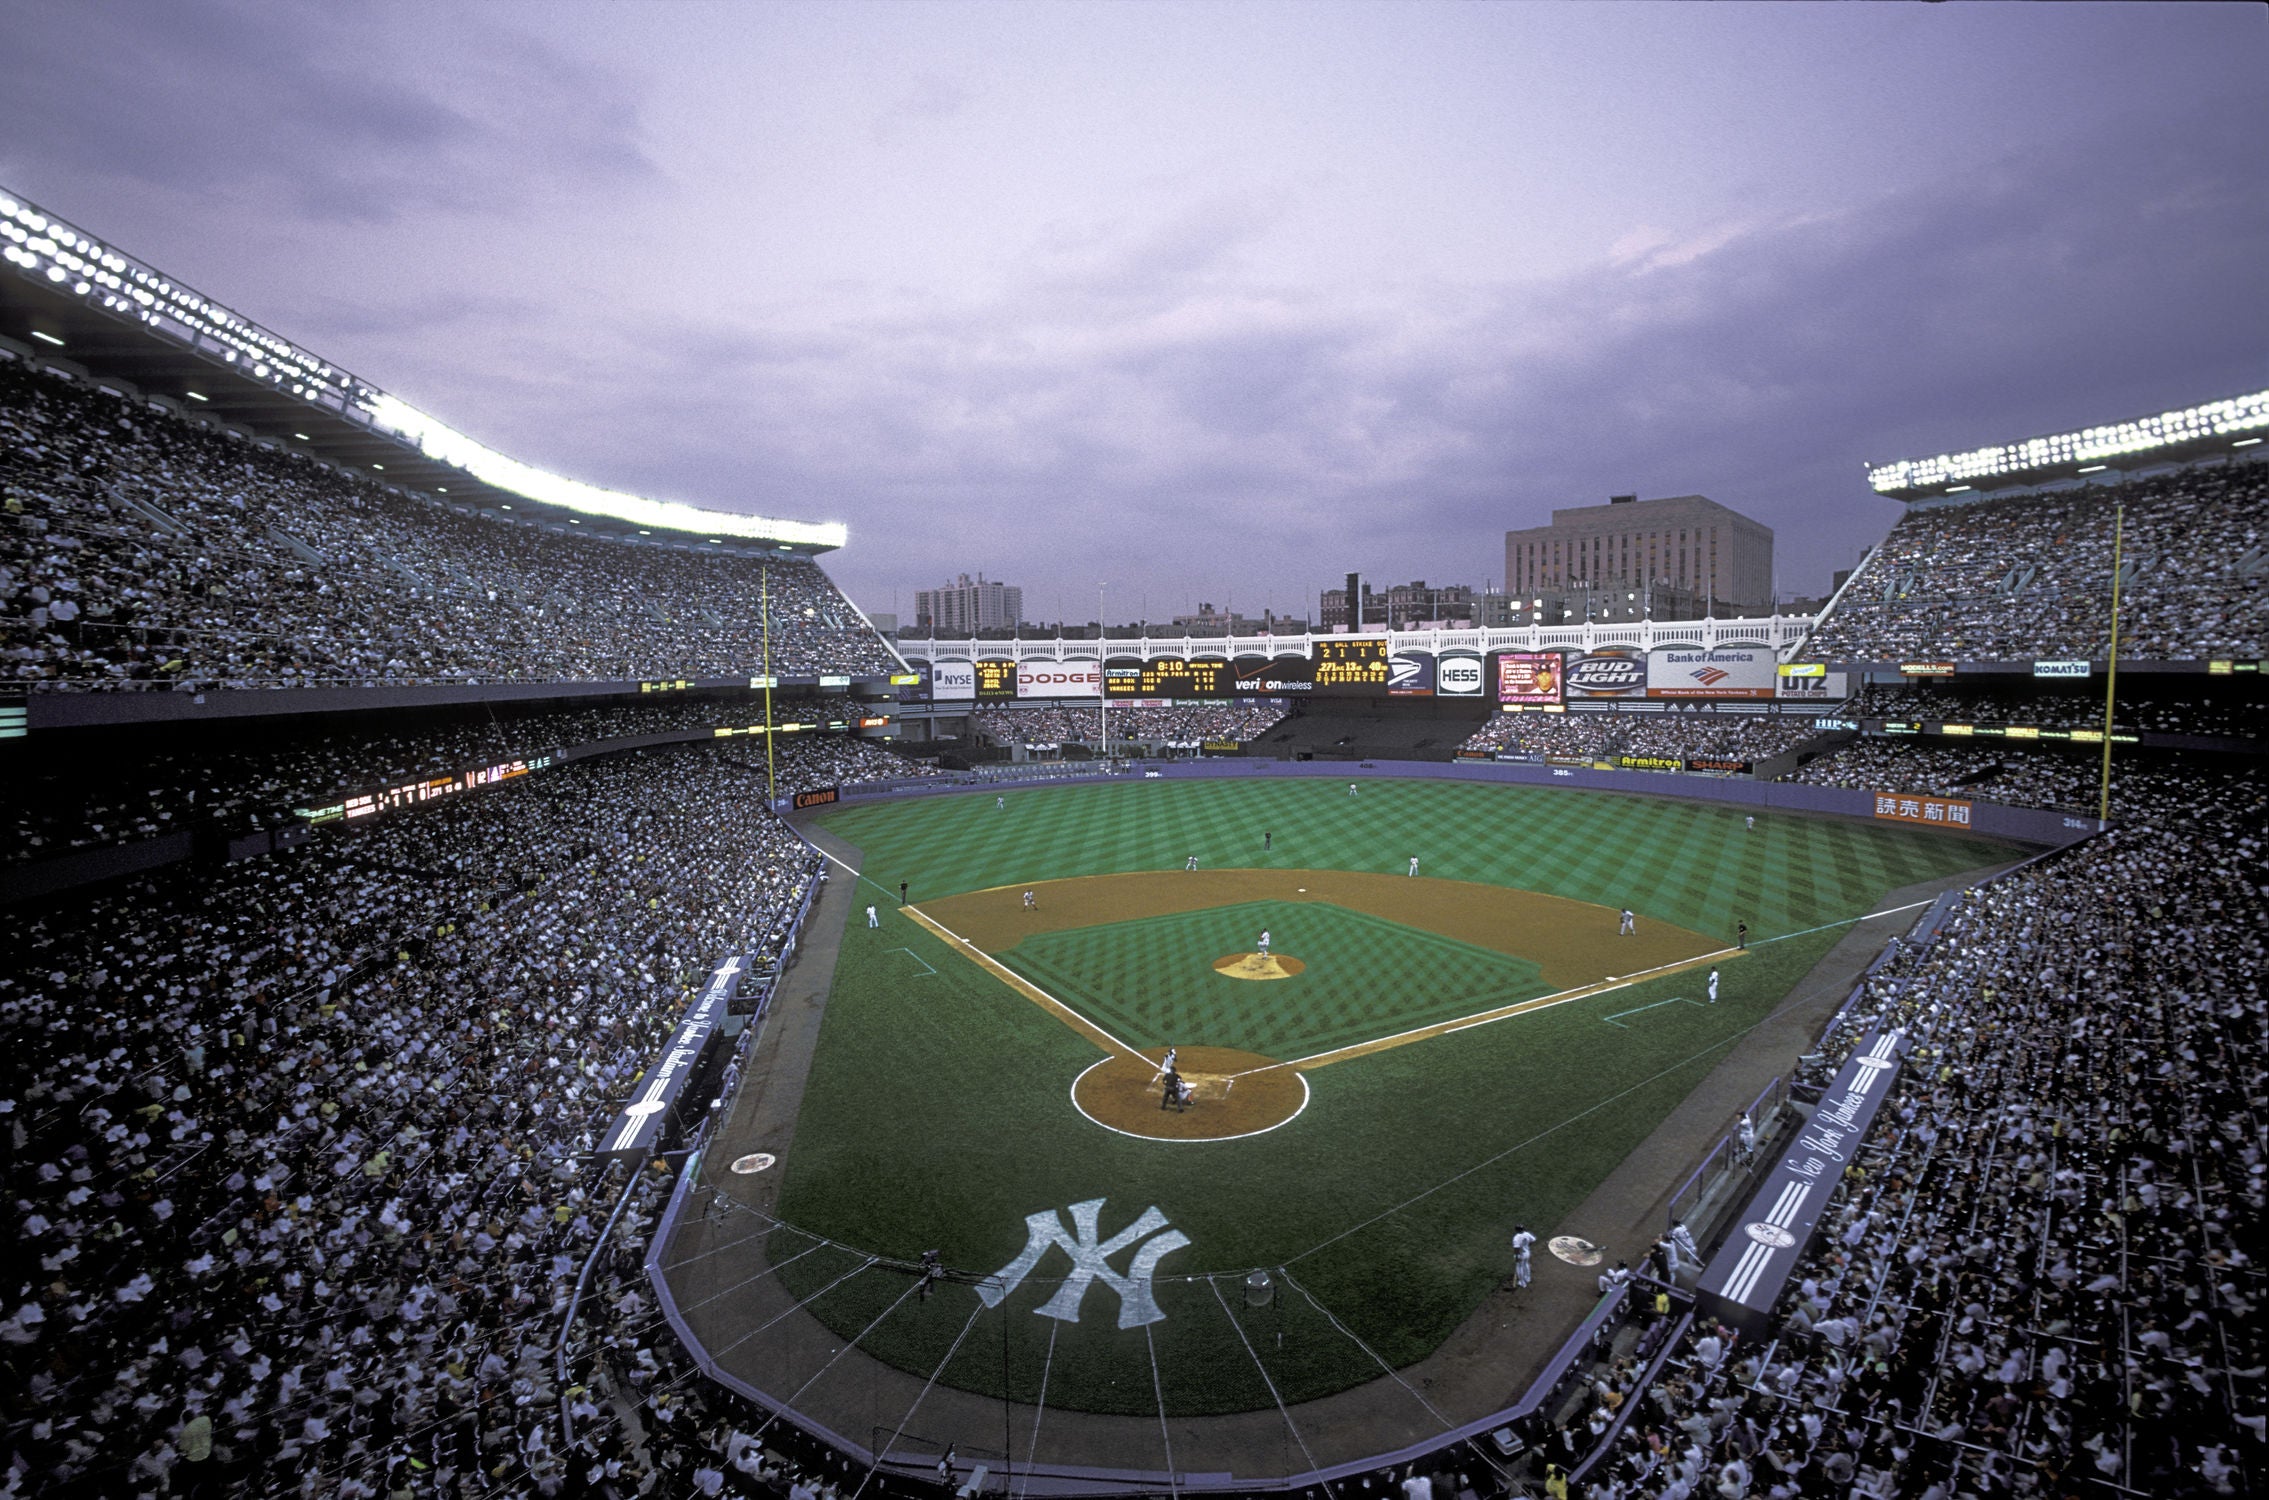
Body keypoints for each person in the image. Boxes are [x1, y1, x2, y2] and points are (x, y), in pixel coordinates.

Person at [1510, 1224, 1536, 1289]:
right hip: (1527, 1252)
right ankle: (1528, 1278)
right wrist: (1527, 1246)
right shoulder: (1527, 1234)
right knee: (1526, 1264)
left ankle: (1522, 1283)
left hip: (1520, 1254)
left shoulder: (1516, 1237)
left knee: (1519, 1267)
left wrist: (1516, 1257)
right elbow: (1533, 1240)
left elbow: (1516, 1248)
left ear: (1516, 1230)